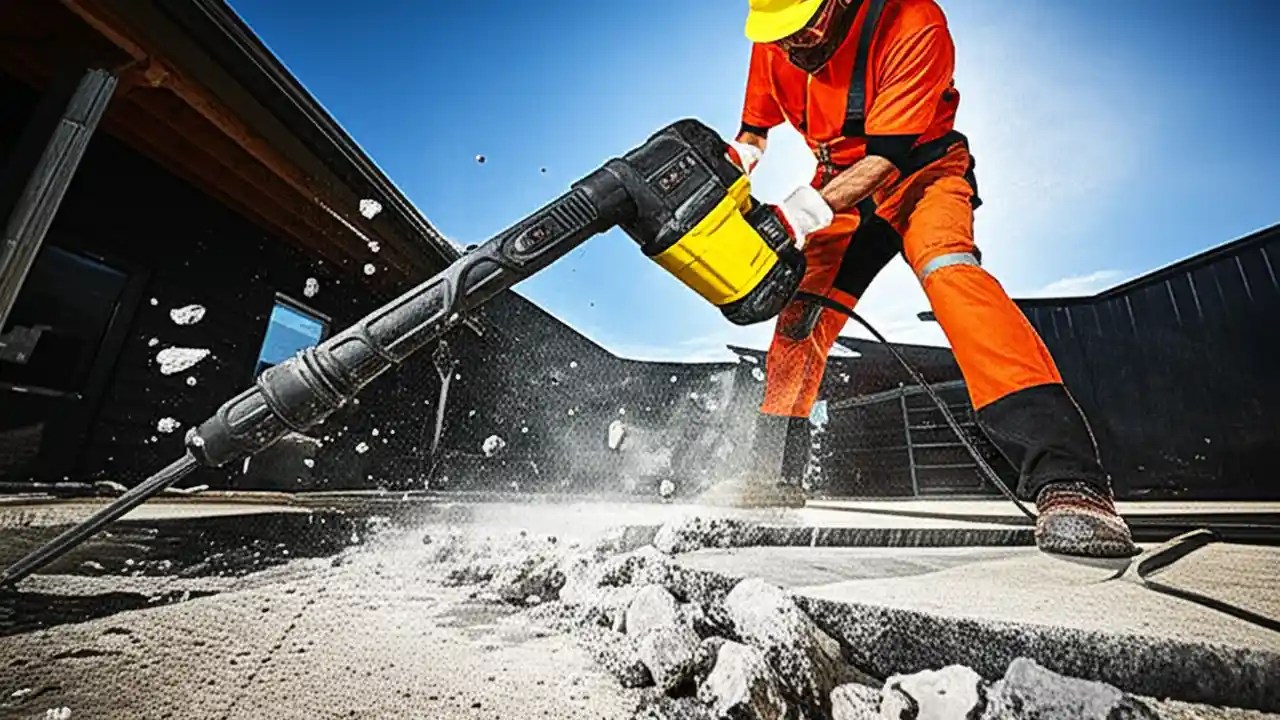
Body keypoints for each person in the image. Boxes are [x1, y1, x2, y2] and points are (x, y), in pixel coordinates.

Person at [726, 0, 1138, 558]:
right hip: (839, 187)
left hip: (923, 174)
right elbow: (754, 132)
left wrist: (795, 216)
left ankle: (1069, 481)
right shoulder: (776, 39)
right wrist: (731, 173)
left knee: (951, 276)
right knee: (800, 317)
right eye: (782, 35)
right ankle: (771, 476)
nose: (794, 44)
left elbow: (889, 158)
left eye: (804, 28)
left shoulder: (913, 22)